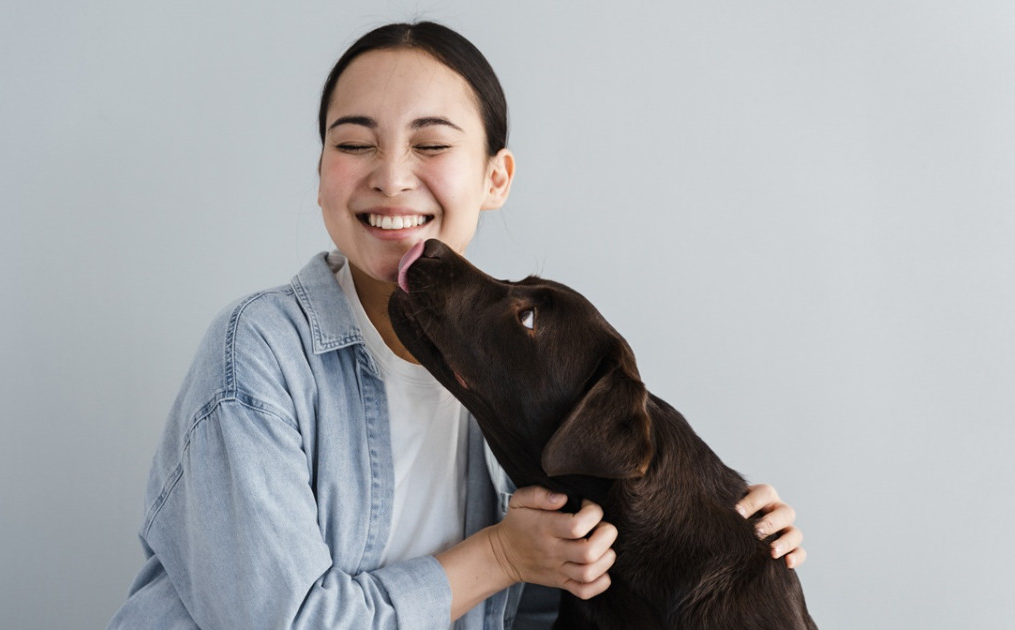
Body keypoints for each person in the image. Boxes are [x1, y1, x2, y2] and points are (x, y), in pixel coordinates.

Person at [107, 21, 806, 630]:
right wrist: (499, 555)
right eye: (354, 145)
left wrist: (726, 537)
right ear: (321, 173)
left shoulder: (521, 390)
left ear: (495, 178)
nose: (390, 176)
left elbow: (556, 603)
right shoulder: (257, 354)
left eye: (431, 145)